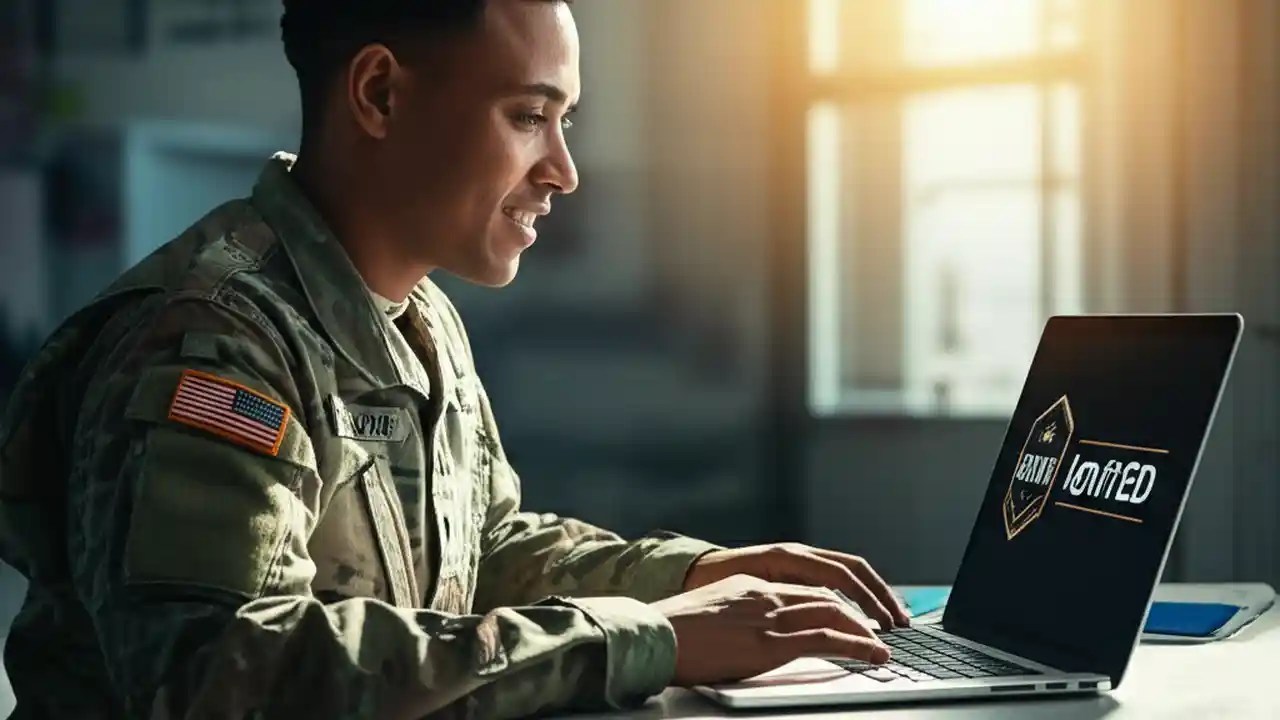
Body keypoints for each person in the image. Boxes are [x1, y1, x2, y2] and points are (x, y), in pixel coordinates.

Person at [0, 1, 910, 717]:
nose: (563, 169)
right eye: (528, 115)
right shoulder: (214, 341)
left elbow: (482, 550)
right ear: (381, 95)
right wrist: (644, 638)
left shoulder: (420, 320)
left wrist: (694, 578)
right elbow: (225, 676)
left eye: (566, 122)